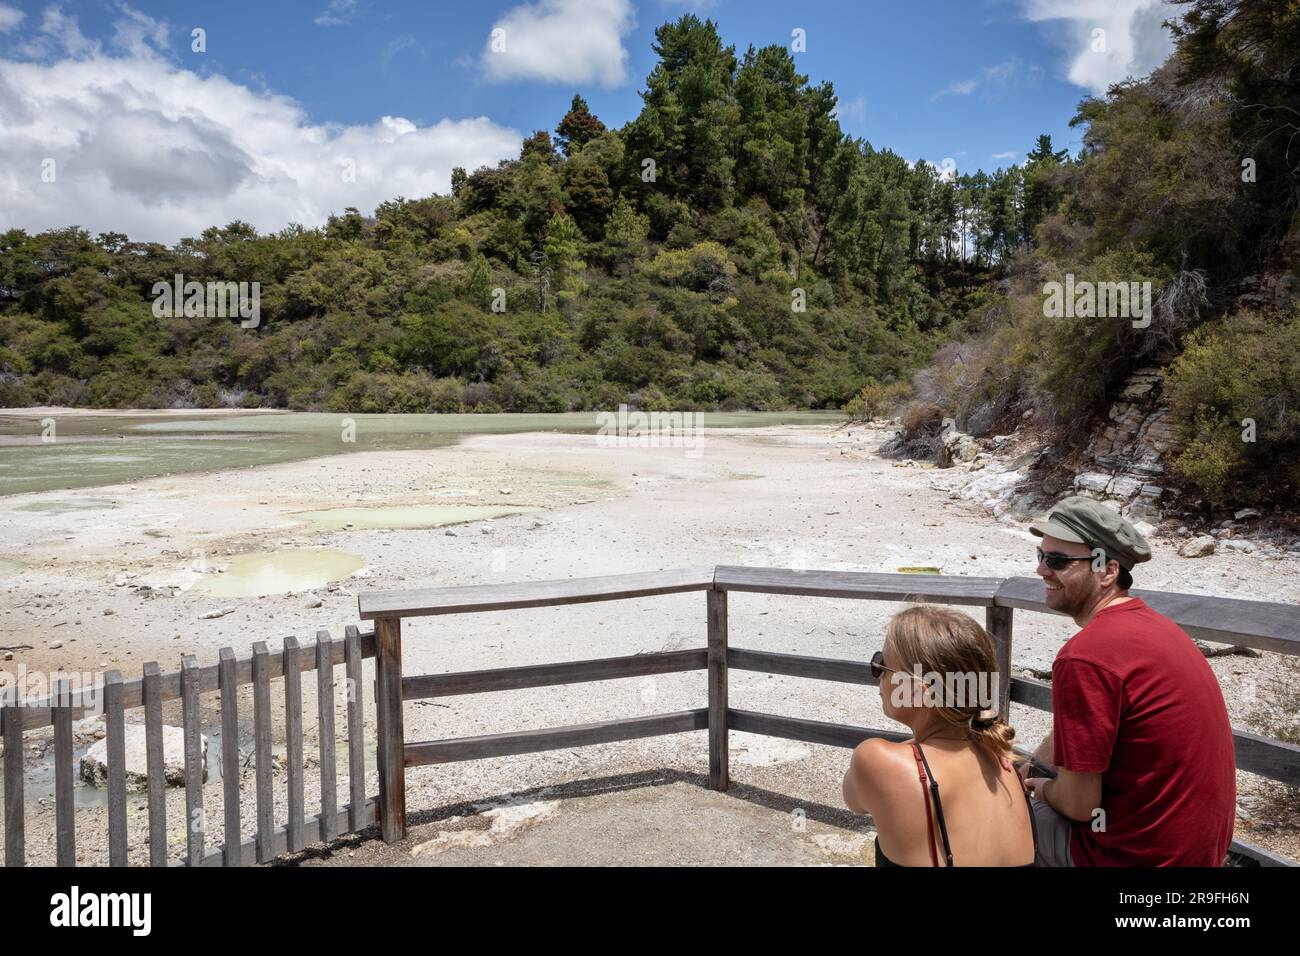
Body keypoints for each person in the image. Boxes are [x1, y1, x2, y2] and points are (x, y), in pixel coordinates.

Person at [1020, 497, 1236, 866]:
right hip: (1195, 853)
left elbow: (1079, 805)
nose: (1042, 570)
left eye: (1057, 561)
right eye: (1041, 556)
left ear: (1107, 572)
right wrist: (1030, 764)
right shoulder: (1154, 628)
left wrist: (1043, 789)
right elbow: (1079, 733)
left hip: (1129, 858)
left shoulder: (1085, 656)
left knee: (977, 815)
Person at [842, 605, 1038, 867]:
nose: (877, 675)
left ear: (918, 690)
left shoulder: (877, 760)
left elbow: (854, 801)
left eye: (882, 665)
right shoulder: (1002, 764)